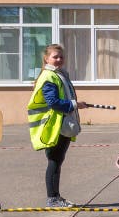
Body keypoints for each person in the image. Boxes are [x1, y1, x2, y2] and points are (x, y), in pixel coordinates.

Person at [27, 44, 89, 208]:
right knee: (54, 161)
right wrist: (75, 104)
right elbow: (53, 102)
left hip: (61, 124)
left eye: (61, 57)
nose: (59, 59)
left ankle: (56, 197)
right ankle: (52, 199)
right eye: (55, 57)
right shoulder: (49, 77)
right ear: (46, 58)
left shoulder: (59, 74)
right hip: (55, 126)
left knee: (57, 161)